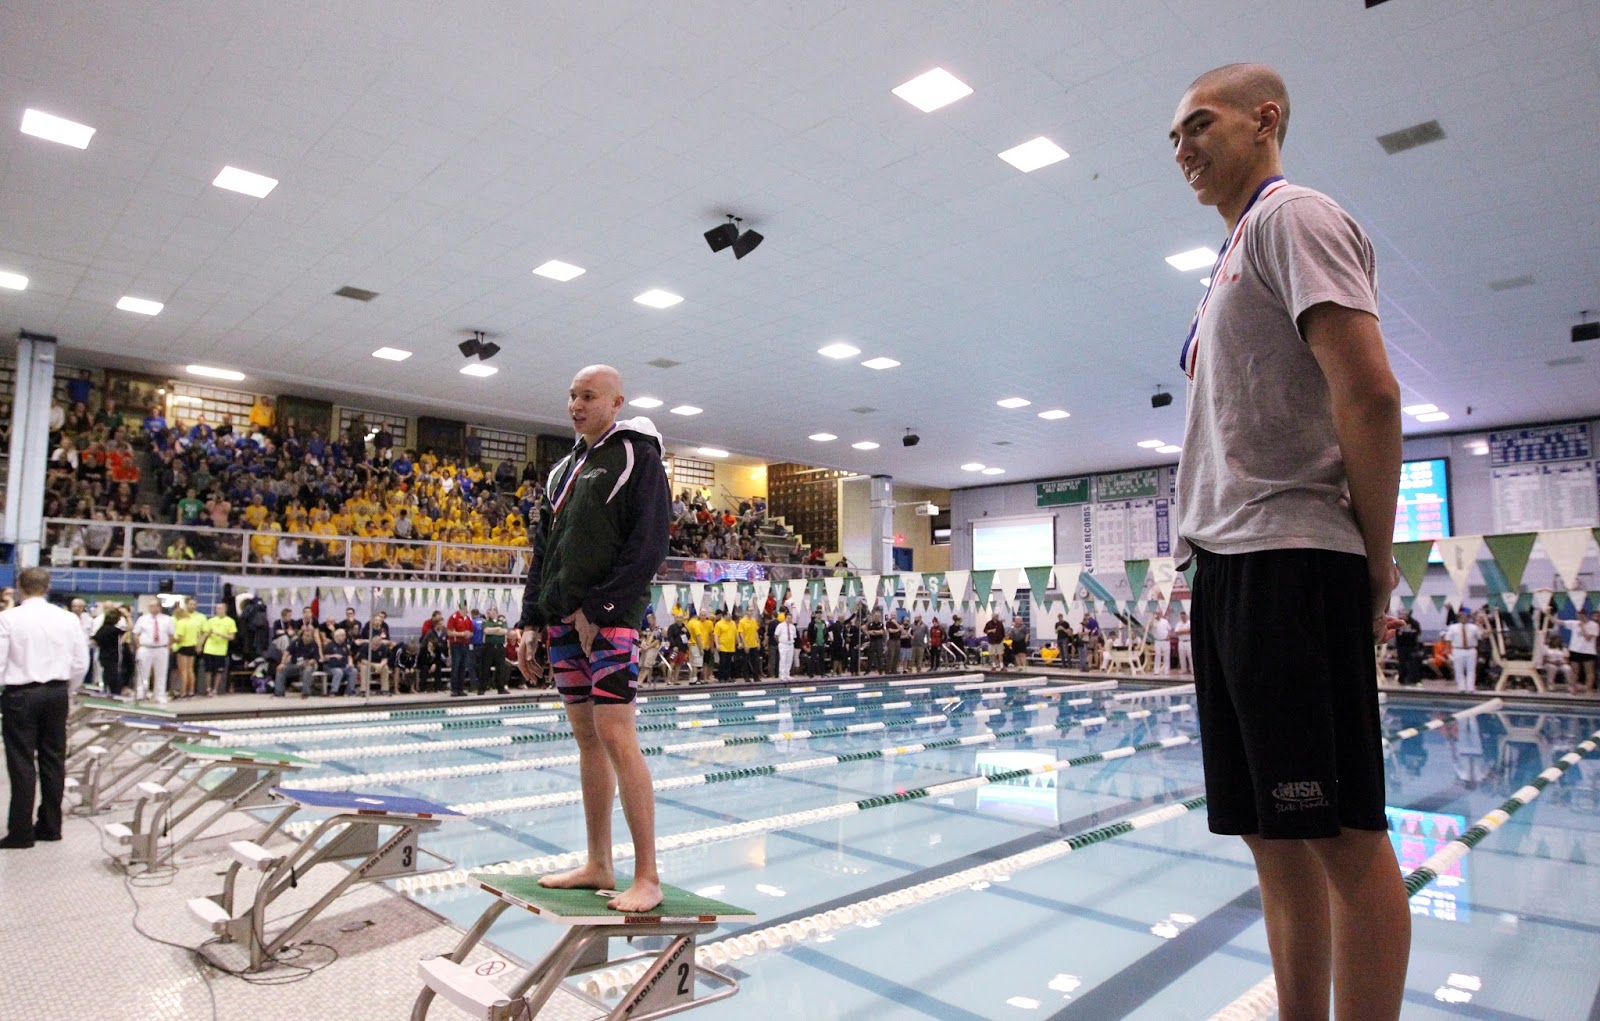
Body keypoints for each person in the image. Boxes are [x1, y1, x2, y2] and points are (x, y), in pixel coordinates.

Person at [1170, 63, 1409, 1017]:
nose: (1182, 148)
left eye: (1200, 125)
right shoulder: (1232, 252)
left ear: (1265, 119)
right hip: (1230, 564)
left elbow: (1371, 391)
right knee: (1276, 838)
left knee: (1344, 835)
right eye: (1174, 138)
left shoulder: (1290, 216)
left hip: (1292, 559)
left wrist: (1377, 563)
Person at [515, 364, 670, 913]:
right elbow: (545, 553)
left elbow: (650, 544)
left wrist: (601, 608)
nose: (576, 405)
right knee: (586, 737)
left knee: (616, 733)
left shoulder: (636, 456)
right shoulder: (563, 473)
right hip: (561, 619)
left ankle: (647, 876)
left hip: (611, 619)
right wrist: (530, 619)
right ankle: (599, 862)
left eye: (588, 396)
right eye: (571, 395)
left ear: (617, 402)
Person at [0, 568, 90, 848]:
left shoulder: (8, 619)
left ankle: (21, 832)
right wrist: (68, 690)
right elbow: (81, 662)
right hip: (56, 693)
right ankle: (51, 826)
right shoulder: (67, 619)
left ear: (19, 588)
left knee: (21, 761)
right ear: (48, 587)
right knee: (54, 759)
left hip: (20, 694)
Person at [129, 597, 172, 702]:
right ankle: (141, 693)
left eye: (154, 606)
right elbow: (136, 634)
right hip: (145, 648)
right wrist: (138, 647)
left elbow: (171, 635)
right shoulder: (143, 619)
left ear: (159, 607)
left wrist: (168, 647)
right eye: (150, 606)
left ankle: (159, 695)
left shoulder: (167, 619)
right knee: (143, 672)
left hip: (161, 648)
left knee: (161, 673)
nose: (152, 608)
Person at [274, 624, 322, 698]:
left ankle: (305, 693)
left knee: (307, 670)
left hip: (308, 664)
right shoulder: (296, 642)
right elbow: (287, 652)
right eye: (304, 635)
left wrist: (306, 663)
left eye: (308, 636)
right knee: (280, 669)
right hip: (295, 664)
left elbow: (315, 659)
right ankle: (279, 693)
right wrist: (282, 663)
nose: (305, 637)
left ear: (312, 637)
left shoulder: (314, 645)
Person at [199, 602, 237, 696]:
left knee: (219, 671)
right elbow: (205, 634)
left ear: (225, 609)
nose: (219, 611)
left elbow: (232, 637)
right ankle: (208, 688)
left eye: (221, 609)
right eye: (217, 609)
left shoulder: (230, 621)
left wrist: (221, 634)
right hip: (209, 649)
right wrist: (200, 645)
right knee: (208, 670)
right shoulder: (211, 621)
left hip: (220, 651)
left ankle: (215, 689)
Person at [1442, 614, 1482, 694]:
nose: (1464, 619)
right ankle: (1461, 687)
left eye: (1466, 617)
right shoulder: (1453, 627)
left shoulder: (1473, 627)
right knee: (1458, 669)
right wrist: (1447, 650)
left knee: (1471, 669)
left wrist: (1481, 627)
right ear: (1459, 619)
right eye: (1462, 617)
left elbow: (1480, 637)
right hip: (1458, 649)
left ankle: (1470, 687)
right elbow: (1448, 639)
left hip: (1471, 649)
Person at [1565, 610, 1597, 694]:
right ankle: (1573, 688)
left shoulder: (1594, 625)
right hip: (1575, 650)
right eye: (1577, 616)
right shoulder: (1574, 623)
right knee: (1574, 671)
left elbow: (1588, 638)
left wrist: (1582, 626)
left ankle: (1588, 689)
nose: (1578, 618)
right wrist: (1548, 614)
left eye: (1579, 616)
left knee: (1589, 672)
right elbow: (1558, 622)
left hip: (1588, 651)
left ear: (1584, 615)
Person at [446, 601, 474, 697]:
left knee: (463, 667)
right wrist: (462, 634)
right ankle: (454, 689)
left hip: (465, 645)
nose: (467, 609)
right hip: (456, 645)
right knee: (456, 667)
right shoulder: (454, 617)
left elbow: (471, 632)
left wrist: (469, 634)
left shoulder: (468, 619)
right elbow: (449, 632)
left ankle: (461, 688)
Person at [1393, 608, 1421, 686]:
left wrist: (1407, 634)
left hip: (1412, 646)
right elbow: (1397, 635)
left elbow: (1417, 633)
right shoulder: (1399, 623)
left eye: (1404, 614)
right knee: (1402, 663)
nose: (1402, 616)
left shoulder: (1414, 623)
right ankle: (1402, 679)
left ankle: (1413, 679)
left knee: (1413, 663)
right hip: (1401, 647)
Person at [774, 611, 797, 681]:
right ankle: (782, 675)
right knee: (783, 659)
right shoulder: (780, 626)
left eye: (790, 618)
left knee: (789, 660)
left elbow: (794, 636)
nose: (789, 620)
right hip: (783, 644)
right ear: (785, 618)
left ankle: (787, 674)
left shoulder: (793, 627)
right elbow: (776, 635)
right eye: (788, 618)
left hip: (790, 644)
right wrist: (780, 642)